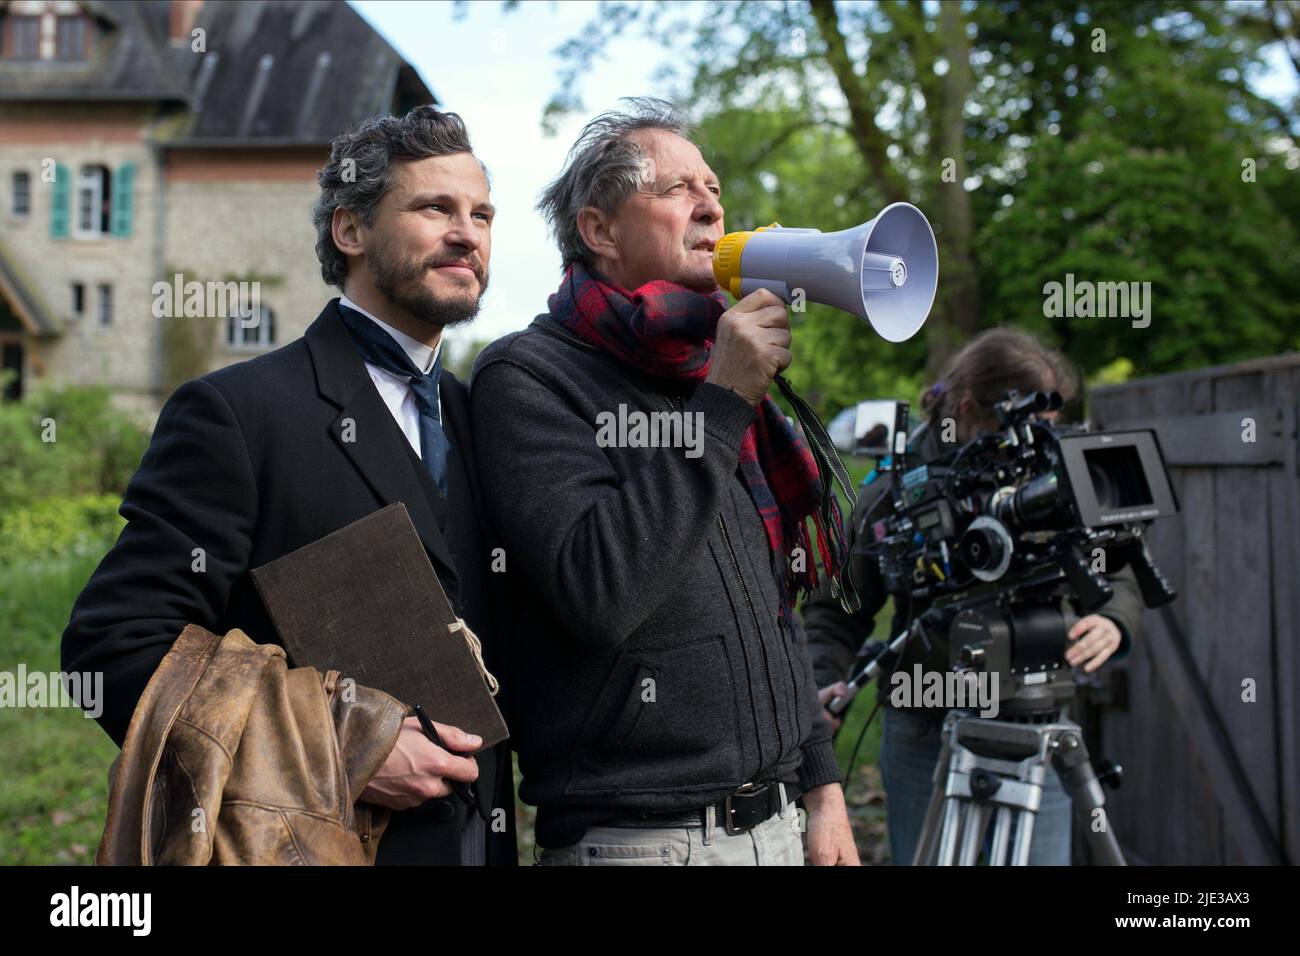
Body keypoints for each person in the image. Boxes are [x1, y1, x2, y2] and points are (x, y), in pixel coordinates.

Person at [61, 105, 515, 866]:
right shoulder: (237, 412)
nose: (467, 232)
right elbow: (109, 650)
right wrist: (340, 743)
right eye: (434, 207)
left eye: (482, 214)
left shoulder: (484, 417)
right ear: (351, 230)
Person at [470, 97, 860, 866]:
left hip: (778, 828)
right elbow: (599, 589)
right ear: (600, 230)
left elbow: (773, 608)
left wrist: (823, 788)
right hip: (643, 843)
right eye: (679, 188)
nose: (711, 203)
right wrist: (722, 401)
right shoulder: (528, 376)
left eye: (713, 186)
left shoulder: (703, 364)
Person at [803, 327, 1144, 865]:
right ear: (967, 410)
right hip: (927, 718)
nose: (1036, 443)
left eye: (1047, 427)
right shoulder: (897, 488)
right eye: (1023, 426)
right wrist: (826, 677)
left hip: (1038, 716)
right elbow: (835, 605)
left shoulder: (1052, 472)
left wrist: (1116, 619)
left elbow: (1114, 560)